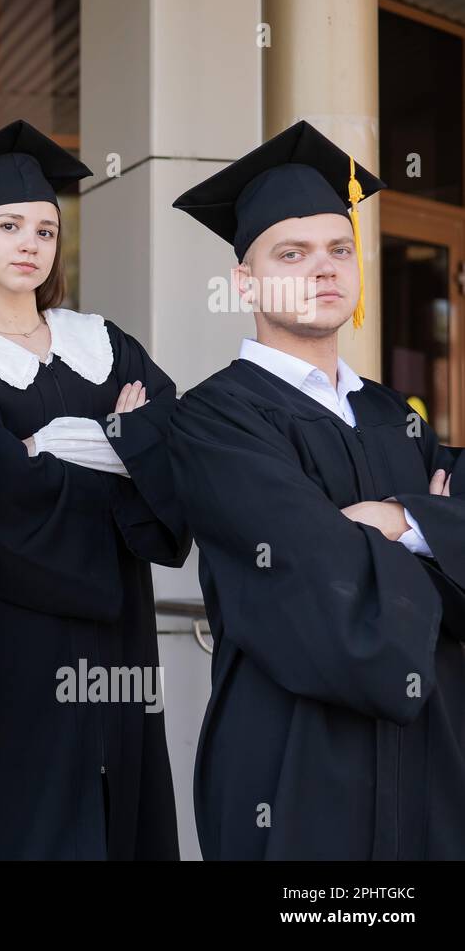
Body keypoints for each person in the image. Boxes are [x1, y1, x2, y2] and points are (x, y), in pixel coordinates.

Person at [170, 120, 465, 859]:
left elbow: (353, 555)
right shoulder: (211, 420)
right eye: (292, 253)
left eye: (339, 249)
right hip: (292, 766)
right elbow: (316, 584)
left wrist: (396, 519)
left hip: (433, 764)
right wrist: (438, 532)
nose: (323, 268)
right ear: (246, 281)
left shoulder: (395, 414)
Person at [0, 121, 191, 859]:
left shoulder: (104, 340)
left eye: (44, 227)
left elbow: (173, 444)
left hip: (118, 624)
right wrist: (116, 443)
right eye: (9, 226)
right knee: (19, 806)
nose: (30, 242)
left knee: (118, 795)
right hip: (9, 630)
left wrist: (53, 446)